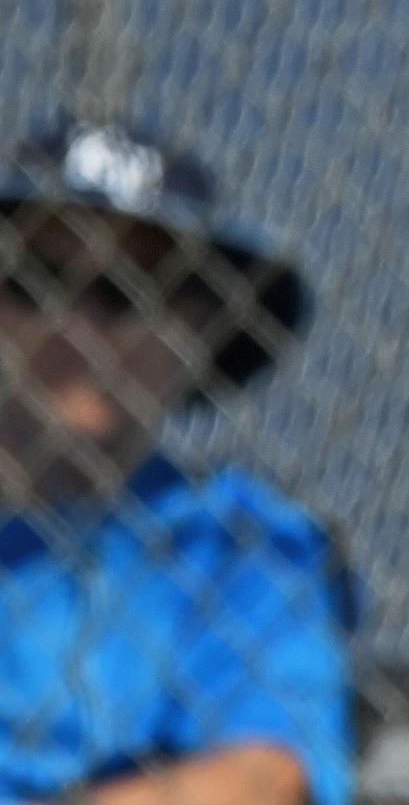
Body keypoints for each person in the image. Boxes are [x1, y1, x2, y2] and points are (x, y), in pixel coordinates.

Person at [0, 121, 355, 805]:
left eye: (127, 293)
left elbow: (268, 775)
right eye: (39, 280)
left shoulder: (236, 543)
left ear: (200, 328)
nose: (79, 327)